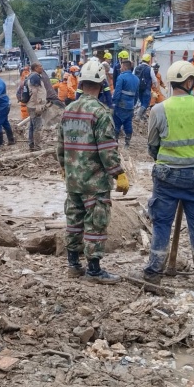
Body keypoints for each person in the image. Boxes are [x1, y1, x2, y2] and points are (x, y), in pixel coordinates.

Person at [143, 61, 194, 294]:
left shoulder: (158, 110)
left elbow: (152, 147)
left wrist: (169, 160)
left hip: (166, 177)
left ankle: (154, 275)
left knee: (162, 225)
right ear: (189, 82)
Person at [57, 60, 129, 284]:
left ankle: (73, 265)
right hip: (95, 181)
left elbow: (60, 147)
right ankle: (94, 270)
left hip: (73, 180)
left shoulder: (68, 110)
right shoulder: (100, 113)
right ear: (102, 84)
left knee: (74, 220)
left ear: (80, 83)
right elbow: (108, 150)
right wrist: (119, 174)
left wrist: (64, 168)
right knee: (95, 223)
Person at [111, 59, 139, 147]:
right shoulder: (136, 79)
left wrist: (114, 103)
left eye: (121, 66)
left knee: (117, 123)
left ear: (124, 66)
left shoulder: (121, 77)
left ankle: (115, 142)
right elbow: (137, 94)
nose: (120, 68)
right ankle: (127, 143)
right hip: (130, 106)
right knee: (128, 123)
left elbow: (117, 92)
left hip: (120, 105)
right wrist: (133, 104)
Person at [25, 61, 51, 151]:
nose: (42, 67)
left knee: (32, 126)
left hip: (32, 105)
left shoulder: (31, 76)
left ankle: (31, 144)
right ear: (35, 68)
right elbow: (35, 93)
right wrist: (38, 106)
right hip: (35, 106)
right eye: (40, 66)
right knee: (37, 127)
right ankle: (37, 147)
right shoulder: (35, 77)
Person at [133, 54, 154, 120]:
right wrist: (155, 86)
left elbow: (133, 76)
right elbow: (154, 79)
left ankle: (142, 115)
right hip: (146, 88)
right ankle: (138, 115)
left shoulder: (136, 68)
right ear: (149, 61)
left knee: (141, 101)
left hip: (138, 88)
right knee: (146, 103)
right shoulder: (150, 69)